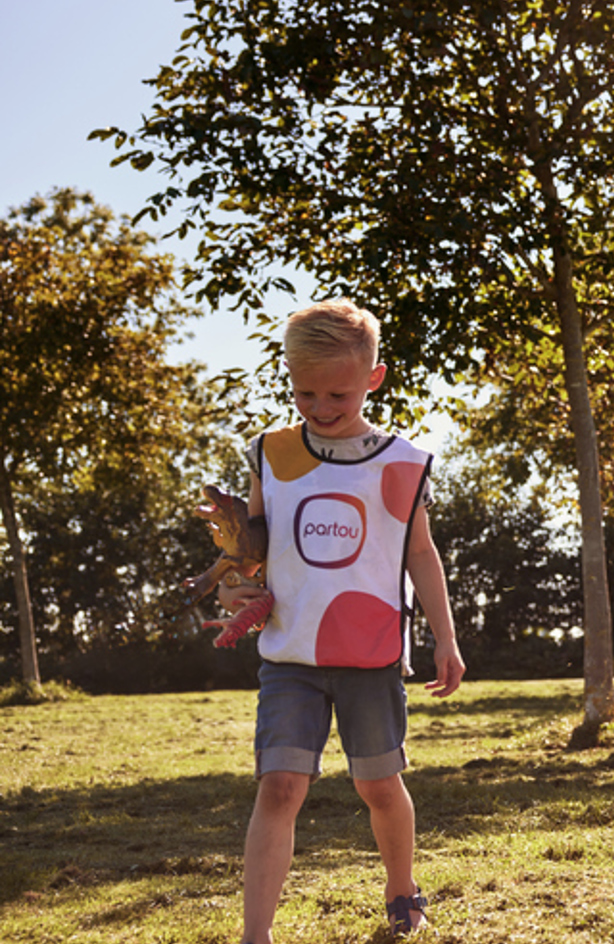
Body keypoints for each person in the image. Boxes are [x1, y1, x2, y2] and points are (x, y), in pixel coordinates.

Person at [215, 299, 465, 944]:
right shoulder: (271, 452)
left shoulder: (403, 463)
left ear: (373, 379)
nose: (321, 407)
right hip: (289, 658)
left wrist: (445, 636)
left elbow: (421, 553)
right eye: (305, 393)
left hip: (371, 656)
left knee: (379, 786)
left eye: (338, 393)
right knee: (279, 787)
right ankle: (256, 935)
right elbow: (253, 548)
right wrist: (238, 588)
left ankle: (401, 886)